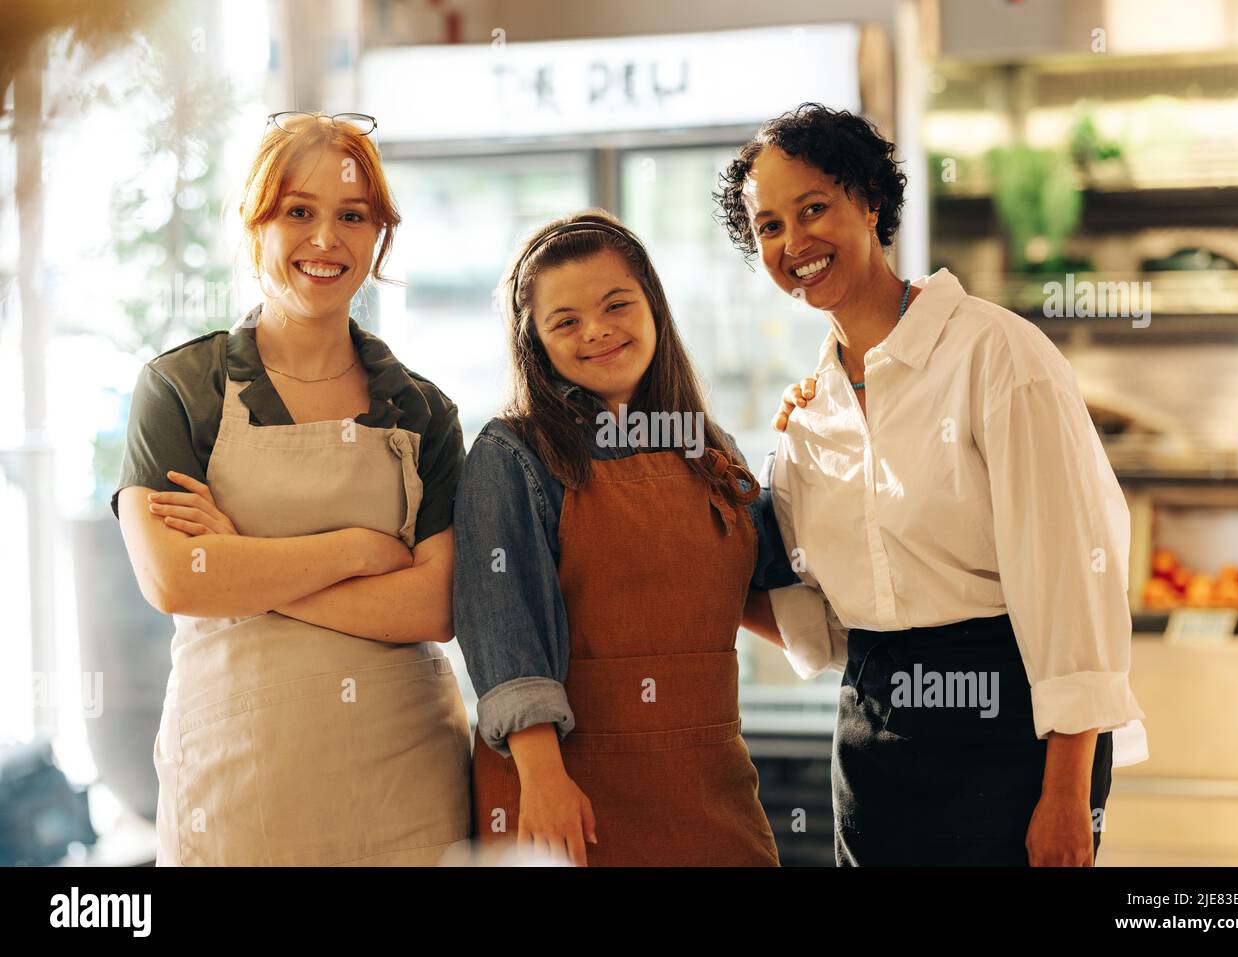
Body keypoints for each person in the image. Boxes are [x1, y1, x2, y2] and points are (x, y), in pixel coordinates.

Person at [714, 102, 1148, 866]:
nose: (794, 242)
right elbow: (818, 624)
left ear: (871, 200)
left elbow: (1074, 583)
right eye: (769, 227)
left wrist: (1067, 794)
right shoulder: (809, 416)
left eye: (814, 207)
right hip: (874, 748)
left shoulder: (997, 355)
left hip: (1011, 732)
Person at [114, 112, 470, 866]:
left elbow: (435, 606)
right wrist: (356, 551)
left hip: (408, 789)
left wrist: (244, 556)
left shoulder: (424, 411)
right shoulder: (181, 389)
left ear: (378, 235)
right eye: (297, 212)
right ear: (254, 227)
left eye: (352, 215)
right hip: (238, 788)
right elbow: (177, 576)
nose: (325, 239)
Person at [453, 210, 796, 866]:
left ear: (654, 309)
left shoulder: (707, 448)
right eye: (566, 321)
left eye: (617, 304)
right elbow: (503, 621)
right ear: (535, 342)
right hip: (566, 789)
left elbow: (765, 588)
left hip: (711, 786)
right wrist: (544, 779)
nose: (598, 331)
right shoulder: (512, 453)